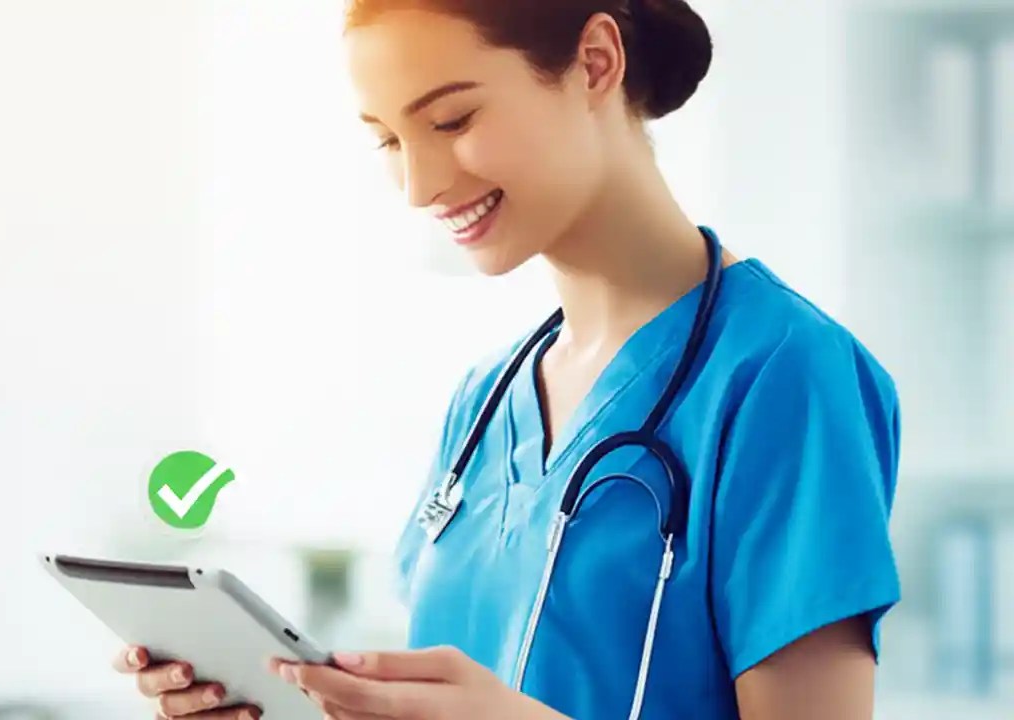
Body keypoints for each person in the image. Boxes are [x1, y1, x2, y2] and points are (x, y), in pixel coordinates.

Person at [113, 1, 902, 718]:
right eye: (389, 139)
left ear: (595, 63)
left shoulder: (785, 374)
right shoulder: (485, 399)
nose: (419, 186)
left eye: (452, 121)